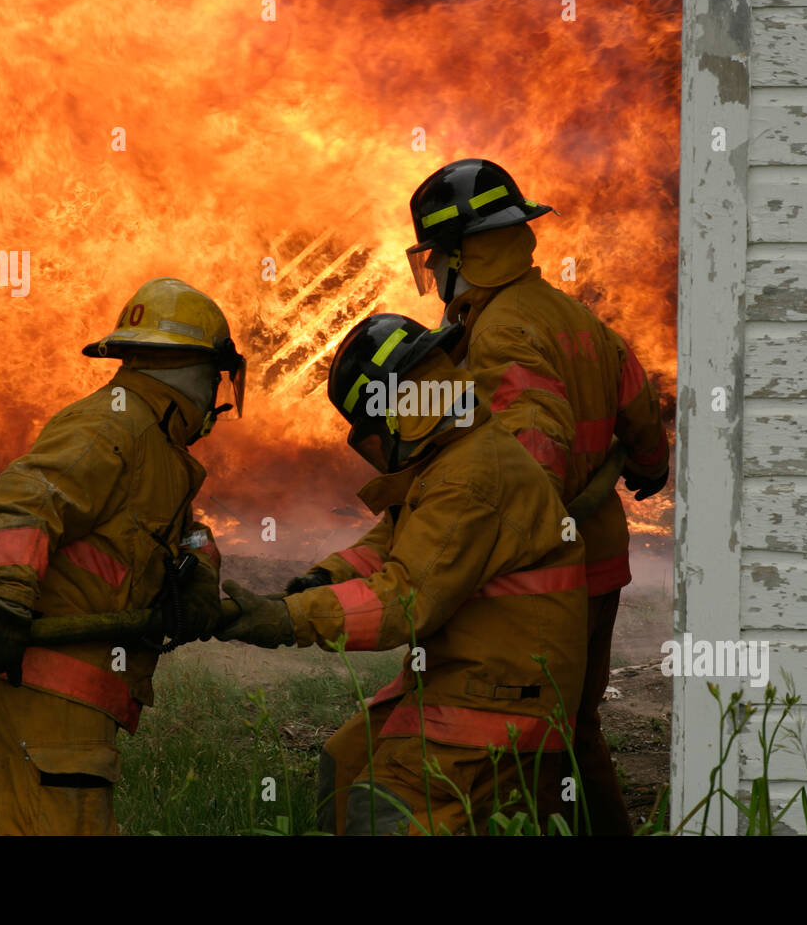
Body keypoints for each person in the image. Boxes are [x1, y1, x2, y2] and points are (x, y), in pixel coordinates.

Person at [217, 313, 588, 835]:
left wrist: (291, 621)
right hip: (471, 676)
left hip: (502, 693)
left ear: (395, 413)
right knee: (344, 763)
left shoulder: (469, 478)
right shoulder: (457, 452)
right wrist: (317, 584)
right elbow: (396, 542)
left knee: (385, 806)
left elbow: (405, 600)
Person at [404, 158, 670, 835]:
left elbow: (532, 456)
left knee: (539, 728)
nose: (434, 275)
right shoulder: (569, 313)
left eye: (437, 260)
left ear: (463, 253)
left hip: (547, 571)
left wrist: (479, 539)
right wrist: (647, 463)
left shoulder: (499, 331)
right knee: (576, 725)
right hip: (600, 555)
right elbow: (636, 399)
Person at [0, 277, 244, 835]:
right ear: (203, 371)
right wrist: (6, 603)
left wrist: (200, 572)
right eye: (217, 379)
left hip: (58, 676)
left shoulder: (153, 442)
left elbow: (172, 535)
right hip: (30, 664)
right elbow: (29, 496)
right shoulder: (111, 423)